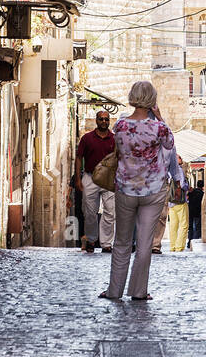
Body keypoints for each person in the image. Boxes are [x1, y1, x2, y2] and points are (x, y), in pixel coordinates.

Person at [99, 81, 174, 301]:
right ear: (152, 100)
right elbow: (169, 144)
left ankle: (114, 291)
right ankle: (139, 291)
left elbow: (120, 150)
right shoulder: (159, 128)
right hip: (153, 190)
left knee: (121, 242)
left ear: (133, 96)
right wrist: (159, 117)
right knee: (144, 243)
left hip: (126, 188)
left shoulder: (120, 126)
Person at [75, 110, 116, 253]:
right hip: (90, 177)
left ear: (109, 121)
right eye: (101, 119)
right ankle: (91, 240)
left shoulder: (114, 139)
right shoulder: (87, 138)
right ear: (96, 121)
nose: (104, 122)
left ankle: (106, 243)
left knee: (110, 212)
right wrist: (78, 178)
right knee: (90, 212)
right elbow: (79, 158)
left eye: (106, 119)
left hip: (109, 180)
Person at [152, 144, 181, 254]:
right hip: (143, 182)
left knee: (161, 215)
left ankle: (155, 245)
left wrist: (177, 184)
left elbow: (174, 166)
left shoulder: (169, 145)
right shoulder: (141, 138)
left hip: (162, 182)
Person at [167, 155, 189, 253]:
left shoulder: (169, 170)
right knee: (184, 225)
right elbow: (183, 185)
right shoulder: (179, 170)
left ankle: (173, 246)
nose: (181, 159)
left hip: (171, 202)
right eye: (179, 157)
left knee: (173, 225)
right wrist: (188, 187)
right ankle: (179, 246)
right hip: (180, 201)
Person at [188, 178, 204, 247]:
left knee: (190, 227)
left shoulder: (192, 192)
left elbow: (188, 199)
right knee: (197, 227)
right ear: (202, 186)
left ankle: (189, 242)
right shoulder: (202, 194)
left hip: (190, 212)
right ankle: (195, 240)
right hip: (198, 212)